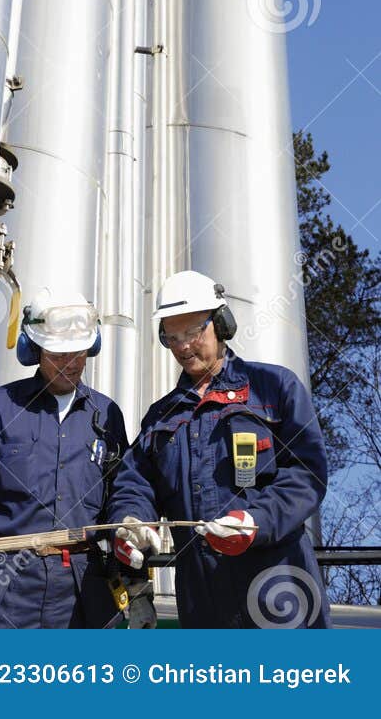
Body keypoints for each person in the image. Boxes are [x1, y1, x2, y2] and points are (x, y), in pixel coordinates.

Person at [108, 269, 330, 630]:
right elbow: (135, 484)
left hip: (281, 591)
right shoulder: (161, 418)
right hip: (204, 603)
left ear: (222, 324)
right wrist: (133, 521)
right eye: (171, 336)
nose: (182, 346)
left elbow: (306, 473)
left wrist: (258, 520)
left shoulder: (274, 389)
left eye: (193, 332)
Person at [0, 288, 137, 629]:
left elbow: (124, 494)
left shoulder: (107, 415)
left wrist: (137, 571)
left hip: (83, 588)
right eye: (58, 355)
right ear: (34, 350)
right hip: (2, 586)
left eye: (78, 353)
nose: (71, 364)